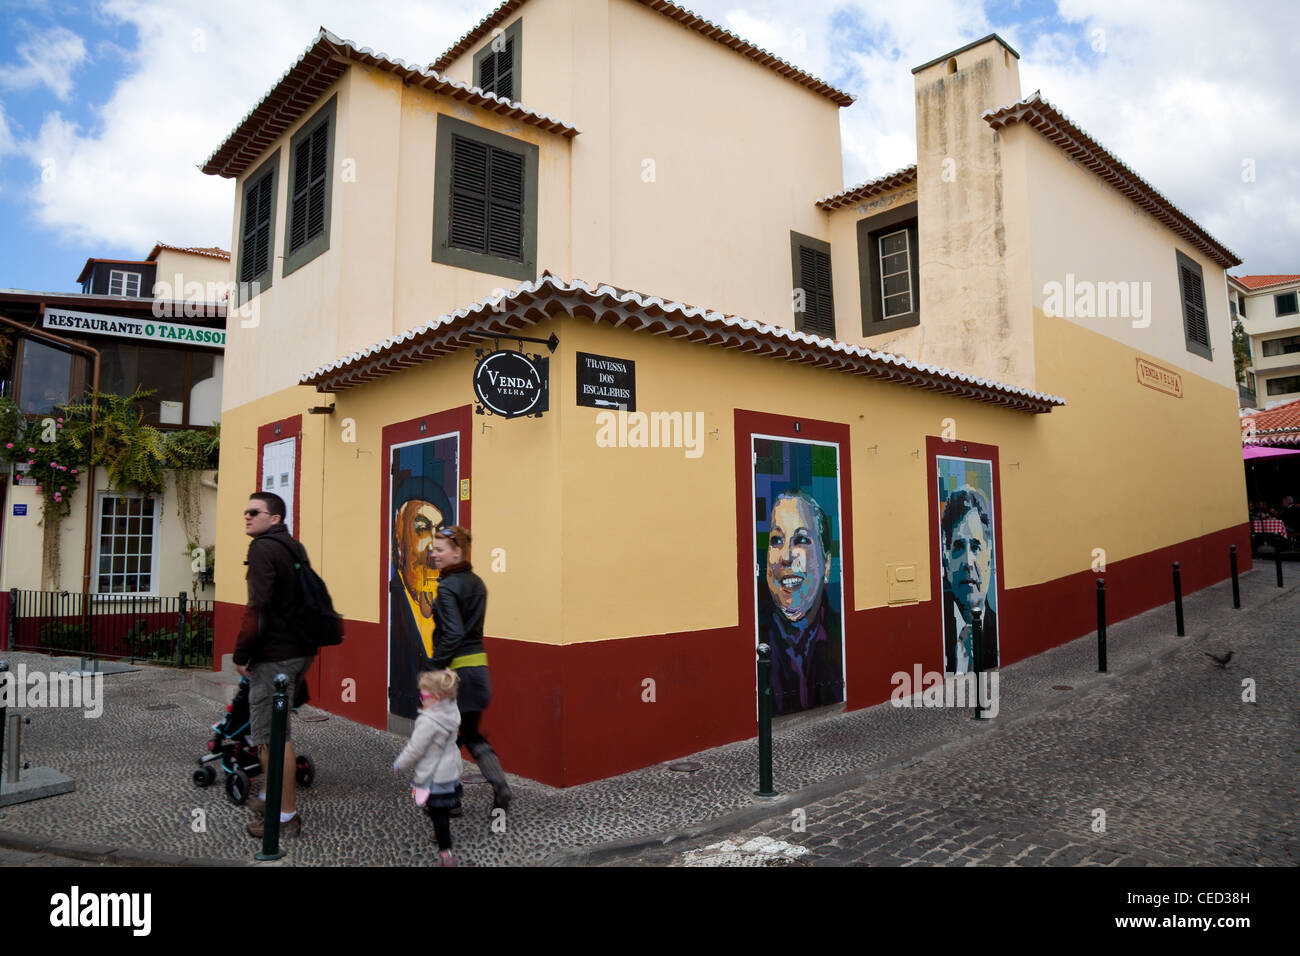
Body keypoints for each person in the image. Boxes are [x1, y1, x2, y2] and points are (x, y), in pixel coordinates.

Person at [234, 491, 317, 838]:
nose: (248, 517)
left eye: (255, 512)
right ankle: (270, 796)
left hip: (276, 655)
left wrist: (242, 655)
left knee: (272, 736)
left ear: (275, 518)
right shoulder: (291, 546)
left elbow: (259, 607)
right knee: (276, 730)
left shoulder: (263, 549)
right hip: (300, 648)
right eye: (246, 512)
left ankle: (285, 817)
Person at [429, 525, 513, 813]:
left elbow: (453, 633)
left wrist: (435, 666)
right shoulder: (478, 583)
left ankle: (449, 800)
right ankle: (499, 785)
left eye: (439, 550)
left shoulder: (448, 586)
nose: (433, 553)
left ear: (457, 553)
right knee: (469, 734)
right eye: (434, 548)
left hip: (457, 673)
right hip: (479, 671)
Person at [758, 490, 844, 715]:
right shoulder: (757, 638)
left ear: (827, 565)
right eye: (776, 540)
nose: (786, 555)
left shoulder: (840, 636)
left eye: (801, 540)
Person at [389, 476, 455, 720]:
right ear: (399, 534)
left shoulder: (447, 595)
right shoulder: (394, 601)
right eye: (422, 528)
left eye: (439, 531)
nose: (432, 545)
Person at [394, 669, 464, 867]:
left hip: (434, 775)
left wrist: (400, 763)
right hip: (451, 771)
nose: (421, 699)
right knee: (441, 809)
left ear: (437, 697)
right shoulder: (452, 710)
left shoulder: (428, 722)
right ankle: (443, 840)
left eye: (423, 695)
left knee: (438, 813)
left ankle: (445, 854)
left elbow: (415, 749)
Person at [940, 486, 999, 674]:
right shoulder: (937, 634)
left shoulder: (999, 631)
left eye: (975, 547)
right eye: (958, 547)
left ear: (989, 557)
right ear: (946, 561)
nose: (968, 561)